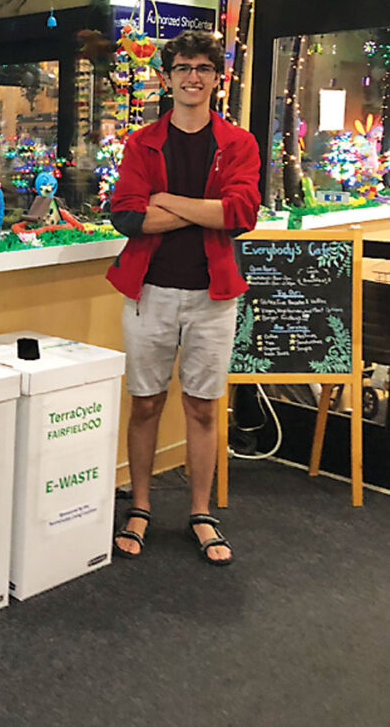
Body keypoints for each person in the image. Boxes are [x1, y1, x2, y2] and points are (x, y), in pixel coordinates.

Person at [106, 30, 260, 566]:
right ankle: (141, 507)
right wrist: (204, 206)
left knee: (201, 406)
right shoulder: (140, 143)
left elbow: (240, 214)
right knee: (145, 402)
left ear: (216, 78)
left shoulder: (238, 143)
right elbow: (126, 215)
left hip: (212, 296)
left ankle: (200, 512)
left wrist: (165, 200)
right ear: (166, 76)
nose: (193, 77)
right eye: (183, 67)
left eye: (203, 68)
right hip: (149, 292)